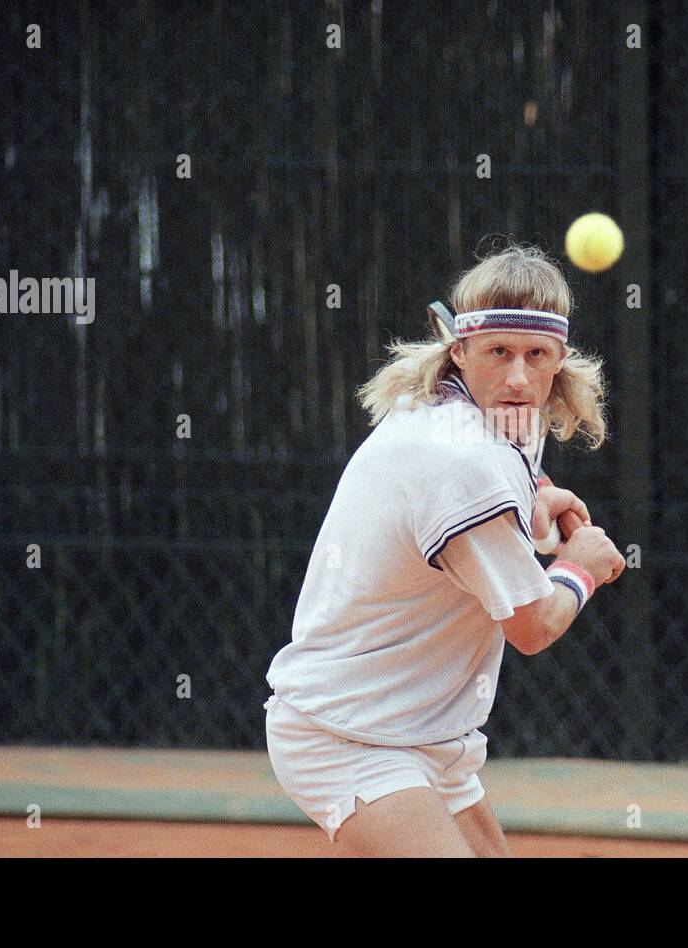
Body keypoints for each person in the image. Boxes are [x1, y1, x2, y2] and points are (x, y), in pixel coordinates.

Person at [263, 241, 625, 856]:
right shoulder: (459, 460)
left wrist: (540, 500)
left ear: (559, 359)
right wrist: (578, 568)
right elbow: (533, 627)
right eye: (498, 353)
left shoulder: (483, 413)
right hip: (347, 736)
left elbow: (490, 509)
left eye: (536, 355)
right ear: (459, 349)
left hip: (430, 733)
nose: (517, 377)